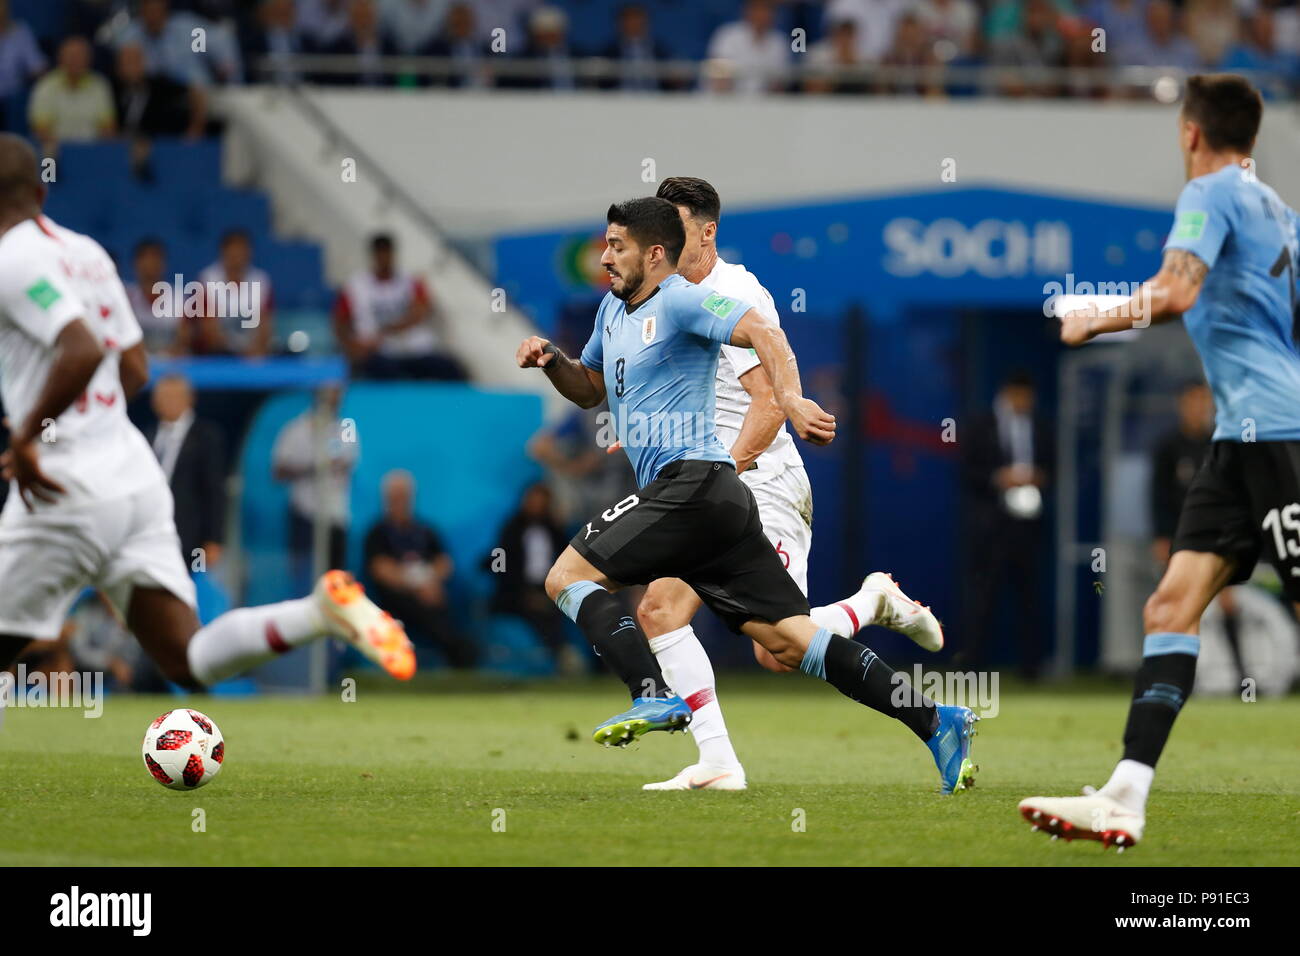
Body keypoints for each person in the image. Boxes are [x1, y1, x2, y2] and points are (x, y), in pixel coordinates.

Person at [516, 197, 978, 795]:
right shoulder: (612, 309)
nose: (603, 257)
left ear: (657, 252)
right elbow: (589, 388)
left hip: (699, 485)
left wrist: (791, 400)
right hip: (716, 500)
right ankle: (936, 720)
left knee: (565, 578)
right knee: (787, 641)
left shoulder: (684, 297)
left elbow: (761, 330)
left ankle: (652, 695)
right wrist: (552, 360)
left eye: (615, 246)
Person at [0, 134, 415, 696]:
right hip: (130, 473)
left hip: (62, 481)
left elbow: (82, 349)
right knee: (187, 658)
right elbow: (136, 365)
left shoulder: (11, 260)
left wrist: (29, 436)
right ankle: (317, 613)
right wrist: (91, 425)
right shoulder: (86, 254)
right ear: (41, 191)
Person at [1020, 75, 1300, 849]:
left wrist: (1094, 317)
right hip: (1241, 442)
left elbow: (1176, 291)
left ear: (1190, 132)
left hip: (1277, 437)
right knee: (1169, 609)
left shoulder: (1211, 189)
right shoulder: (1280, 212)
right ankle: (1125, 796)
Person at [634, 177, 945, 791]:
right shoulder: (666, 299)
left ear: (706, 230)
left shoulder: (734, 292)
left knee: (777, 651)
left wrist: (716, 477)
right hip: (710, 484)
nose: (661, 243)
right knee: (660, 609)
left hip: (762, 483)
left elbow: (771, 403)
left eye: (674, 228)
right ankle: (719, 762)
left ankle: (874, 602)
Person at [959, 369, 1052, 680]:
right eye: (1019, 395)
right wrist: (999, 478)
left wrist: (1038, 477)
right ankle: (972, 666)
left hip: (1027, 526)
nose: (1024, 401)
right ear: (1007, 393)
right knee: (983, 597)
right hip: (990, 526)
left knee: (1029, 596)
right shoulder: (981, 424)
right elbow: (966, 471)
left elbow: (1054, 465)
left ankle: (1031, 669)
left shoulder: (1040, 426)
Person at [364, 469, 477, 669]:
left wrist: (430, 582)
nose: (400, 502)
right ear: (386, 499)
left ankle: (461, 655)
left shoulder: (426, 530)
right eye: (395, 497)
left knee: (447, 604)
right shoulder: (377, 532)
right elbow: (381, 570)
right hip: (394, 599)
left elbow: (444, 563)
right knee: (426, 611)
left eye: (404, 497)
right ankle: (458, 653)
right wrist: (417, 586)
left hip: (431, 594)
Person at [333, 233, 466, 380]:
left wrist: (388, 330)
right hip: (377, 352)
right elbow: (340, 321)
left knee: (449, 368)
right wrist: (351, 346)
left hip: (413, 348)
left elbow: (421, 311)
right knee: (383, 371)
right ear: (373, 255)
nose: (384, 258)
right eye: (380, 253)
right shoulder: (356, 285)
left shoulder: (410, 280)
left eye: (387, 253)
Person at [486, 482, 582, 674]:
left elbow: (567, 562)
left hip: (549, 588)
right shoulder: (511, 529)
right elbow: (504, 569)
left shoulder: (554, 531)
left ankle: (591, 659)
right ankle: (561, 654)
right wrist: (525, 594)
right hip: (516, 592)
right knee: (541, 611)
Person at [273, 384, 357, 592]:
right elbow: (279, 469)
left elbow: (346, 459)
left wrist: (318, 465)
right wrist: (315, 466)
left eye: (338, 392)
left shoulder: (345, 426)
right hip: (304, 512)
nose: (334, 397)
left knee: (335, 578)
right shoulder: (296, 428)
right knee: (302, 574)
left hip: (335, 515)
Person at [148, 374, 226, 570]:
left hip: (195, 541)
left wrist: (213, 539)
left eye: (174, 396)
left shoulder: (207, 436)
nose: (168, 402)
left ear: (189, 399)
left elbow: (214, 490)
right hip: (153, 537)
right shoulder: (146, 437)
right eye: (163, 397)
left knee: (196, 584)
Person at [1150, 381, 1214, 566]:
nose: (1199, 407)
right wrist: (1162, 535)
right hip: (1178, 533)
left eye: (1204, 400)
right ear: (1182, 404)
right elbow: (1159, 492)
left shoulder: (1219, 446)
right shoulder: (1168, 446)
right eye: (1193, 400)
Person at [190, 228, 275, 357]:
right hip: (218, 353)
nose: (237, 257)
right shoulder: (207, 279)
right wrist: (237, 354)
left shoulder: (261, 280)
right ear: (223, 252)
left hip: (252, 354)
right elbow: (208, 329)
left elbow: (266, 325)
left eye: (242, 251)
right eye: (233, 252)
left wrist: (256, 350)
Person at [27, 36, 116, 153]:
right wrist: (70, 152)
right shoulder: (45, 86)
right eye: (71, 56)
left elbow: (107, 129)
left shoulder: (100, 86)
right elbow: (41, 131)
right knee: (47, 152)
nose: (75, 60)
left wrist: (88, 152)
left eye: (80, 56)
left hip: (93, 151)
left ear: (89, 59)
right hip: (57, 152)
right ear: (60, 58)